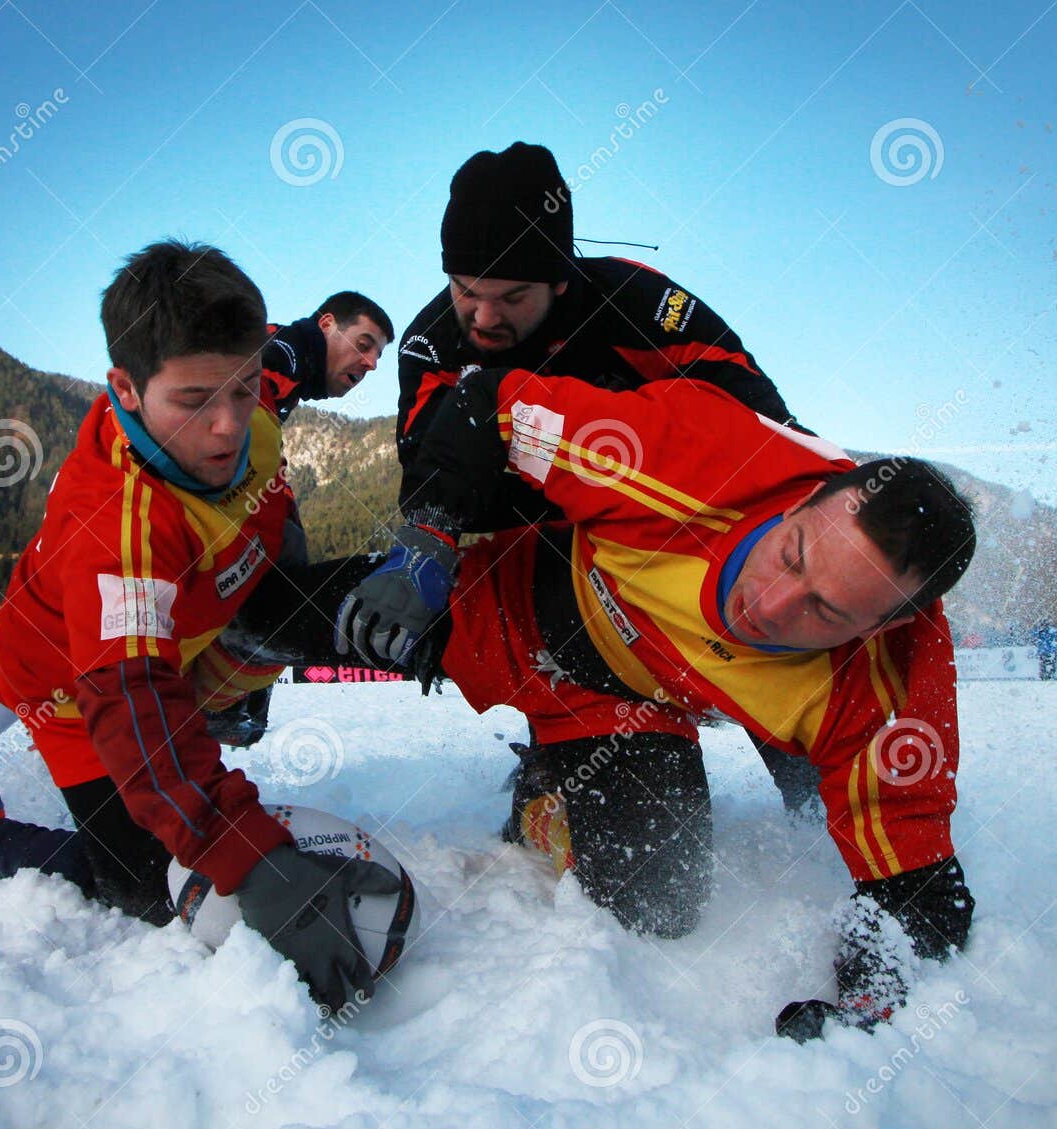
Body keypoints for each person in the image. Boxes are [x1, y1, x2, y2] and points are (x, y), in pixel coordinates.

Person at [236, 368, 979, 1039]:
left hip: (617, 712)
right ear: (800, 503)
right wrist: (425, 544)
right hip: (499, 601)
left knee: (658, 908)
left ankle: (548, 785)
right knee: (249, 619)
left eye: (824, 611)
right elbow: (486, 404)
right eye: (792, 555)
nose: (771, 604)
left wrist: (864, 1012)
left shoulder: (889, 691)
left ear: (881, 628)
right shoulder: (693, 453)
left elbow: (918, 890)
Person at [0, 240, 403, 1013]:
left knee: (340, 602)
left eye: (245, 390)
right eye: (195, 401)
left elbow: (269, 531)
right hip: (78, 693)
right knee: (144, 887)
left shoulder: (253, 427)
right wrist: (247, 857)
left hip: (181, 635)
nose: (227, 427)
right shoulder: (116, 529)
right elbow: (130, 701)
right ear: (126, 390)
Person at [393, 141, 821, 812]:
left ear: (561, 280)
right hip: (555, 578)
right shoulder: (433, 342)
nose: (483, 317)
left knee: (772, 596)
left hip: (675, 542)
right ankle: (559, 755)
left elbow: (771, 435)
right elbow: (431, 484)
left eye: (511, 297)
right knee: (650, 855)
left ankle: (812, 787)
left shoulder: (638, 304)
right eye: (465, 291)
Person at [263, 292, 394, 422]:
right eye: (363, 345)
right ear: (326, 325)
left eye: (377, 357)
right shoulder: (279, 361)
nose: (372, 364)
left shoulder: (294, 374)